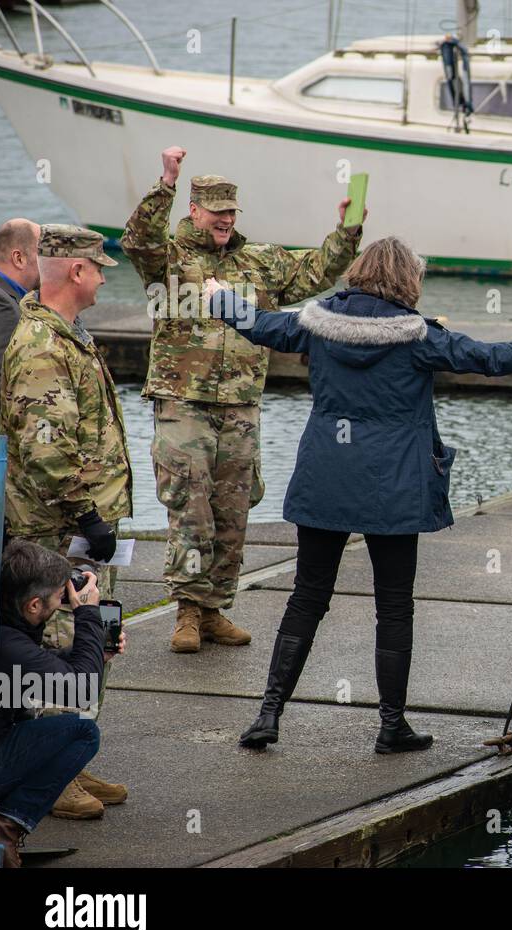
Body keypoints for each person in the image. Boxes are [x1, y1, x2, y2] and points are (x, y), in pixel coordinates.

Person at [204, 237, 512, 752]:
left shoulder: (313, 324)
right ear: (408, 280)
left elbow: (259, 323)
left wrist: (218, 296)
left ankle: (268, 716)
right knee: (394, 606)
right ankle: (391, 727)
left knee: (307, 596)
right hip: (393, 485)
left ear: (360, 273)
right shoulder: (419, 337)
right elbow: (493, 358)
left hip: (326, 476)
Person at [120, 145, 365, 654]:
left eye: (231, 212)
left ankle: (213, 610)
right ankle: (186, 610)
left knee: (233, 510)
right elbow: (138, 240)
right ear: (194, 211)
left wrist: (346, 231)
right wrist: (165, 182)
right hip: (182, 401)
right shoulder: (170, 259)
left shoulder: (260, 261)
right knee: (191, 507)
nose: (226, 220)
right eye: (217, 212)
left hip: (241, 404)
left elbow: (317, 272)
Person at [0, 224, 132, 821]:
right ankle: (50, 768)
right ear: (76, 272)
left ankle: (68, 755)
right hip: (54, 531)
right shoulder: (42, 346)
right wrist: (87, 513)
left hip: (76, 529)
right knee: (55, 648)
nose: (105, 276)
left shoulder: (62, 333)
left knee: (92, 635)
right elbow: (43, 446)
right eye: (99, 267)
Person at [0, 541, 126, 868]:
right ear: (34, 605)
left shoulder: (5, 627)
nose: (64, 601)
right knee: (82, 733)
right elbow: (82, 690)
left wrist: (96, 652)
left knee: (26, 710)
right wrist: (88, 615)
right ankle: (5, 827)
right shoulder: (9, 644)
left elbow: (29, 670)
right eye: (59, 596)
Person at [0, 219, 41, 425]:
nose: (47, 264)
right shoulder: (3, 303)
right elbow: (0, 384)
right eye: (41, 253)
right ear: (19, 258)